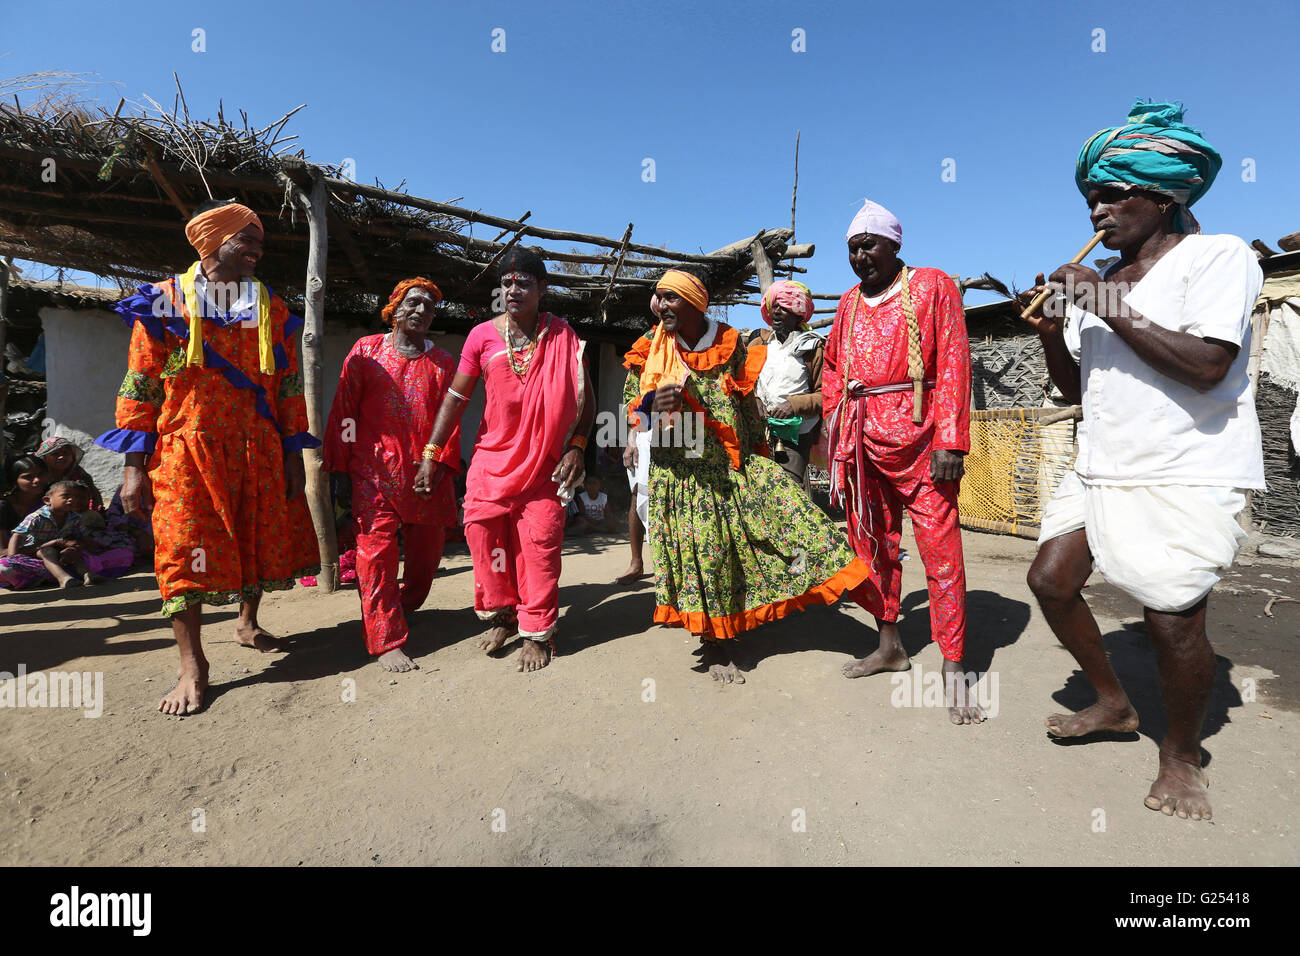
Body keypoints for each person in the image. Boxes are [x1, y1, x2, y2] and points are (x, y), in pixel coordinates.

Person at [1022, 101, 1261, 822]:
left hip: (1183, 467)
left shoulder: (1219, 257)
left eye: (1113, 191)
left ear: (1166, 194)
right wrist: (1050, 336)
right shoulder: (1108, 278)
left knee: (1171, 620)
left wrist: (1099, 297)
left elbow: (1208, 367)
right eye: (1090, 195)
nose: (1097, 207)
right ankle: (1115, 702)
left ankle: (1182, 755)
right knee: (1051, 580)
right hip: (1101, 460)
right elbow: (1079, 391)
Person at [94, 199, 320, 715]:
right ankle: (193, 665)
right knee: (181, 549)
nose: (258, 251)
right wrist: (133, 469)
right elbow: (140, 386)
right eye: (248, 240)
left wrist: (291, 451)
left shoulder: (272, 309)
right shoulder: (163, 303)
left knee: (252, 535)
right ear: (214, 241)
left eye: (261, 242)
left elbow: (288, 385)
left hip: (255, 447)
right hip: (185, 449)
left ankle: (247, 621)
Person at [622, 268, 878, 684]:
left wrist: (757, 452)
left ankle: (864, 601)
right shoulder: (649, 347)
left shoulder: (730, 341)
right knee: (705, 553)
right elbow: (631, 412)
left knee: (797, 521)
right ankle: (715, 643)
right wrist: (654, 404)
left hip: (730, 461)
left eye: (671, 298)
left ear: (694, 303)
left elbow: (744, 401)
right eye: (659, 298)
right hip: (682, 473)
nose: (661, 306)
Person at [824, 199, 981, 723]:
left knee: (941, 552)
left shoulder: (932, 286)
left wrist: (950, 440)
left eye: (868, 245)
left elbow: (955, 360)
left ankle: (954, 663)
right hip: (861, 443)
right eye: (852, 248)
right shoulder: (846, 304)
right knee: (872, 547)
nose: (859, 256)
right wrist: (837, 426)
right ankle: (889, 644)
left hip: (921, 441)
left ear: (894, 245)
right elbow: (830, 373)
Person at [413, 248, 594, 673]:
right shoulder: (481, 337)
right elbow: (457, 398)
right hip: (492, 461)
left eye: (524, 283)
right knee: (481, 535)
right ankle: (505, 614)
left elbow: (588, 402)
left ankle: (536, 631)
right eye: (507, 283)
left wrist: (578, 445)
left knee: (540, 546)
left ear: (542, 289)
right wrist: (431, 453)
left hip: (546, 465)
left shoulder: (564, 335)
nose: (513, 290)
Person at [322, 277, 462, 673]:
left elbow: (450, 420)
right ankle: (385, 637)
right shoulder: (366, 351)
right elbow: (344, 410)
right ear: (395, 309)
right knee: (376, 554)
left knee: (427, 555)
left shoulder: (444, 363)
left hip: (426, 472)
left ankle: (401, 607)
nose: (421, 312)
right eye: (413, 303)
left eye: (429, 307)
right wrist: (340, 467)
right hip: (374, 472)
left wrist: (437, 463)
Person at [747, 280, 825, 486]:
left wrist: (794, 405)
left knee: (788, 491)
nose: (777, 312)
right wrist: (754, 399)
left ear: (799, 312)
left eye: (784, 307)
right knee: (759, 492)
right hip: (759, 433)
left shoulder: (812, 347)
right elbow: (744, 383)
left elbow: (827, 395)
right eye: (774, 306)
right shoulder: (759, 344)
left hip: (795, 436)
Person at [0, 480, 126, 589]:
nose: (72, 500)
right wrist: (13, 556)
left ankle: (88, 575)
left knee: (72, 553)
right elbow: (17, 535)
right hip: (35, 550)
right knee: (46, 551)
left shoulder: (74, 517)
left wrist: (76, 548)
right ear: (47, 500)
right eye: (66, 496)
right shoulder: (36, 517)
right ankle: (63, 578)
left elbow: (82, 537)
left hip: (60, 550)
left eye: (76, 497)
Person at [34, 437, 103, 510]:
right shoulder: (37, 477)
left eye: (65, 453)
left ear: (72, 456)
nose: (61, 457)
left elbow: (95, 500)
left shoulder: (81, 476)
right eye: (55, 454)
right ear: (45, 457)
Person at [0, 456, 48, 541]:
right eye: (28, 477)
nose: (37, 480)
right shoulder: (3, 507)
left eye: (41, 474)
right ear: (15, 480)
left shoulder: (50, 502)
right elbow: (2, 550)